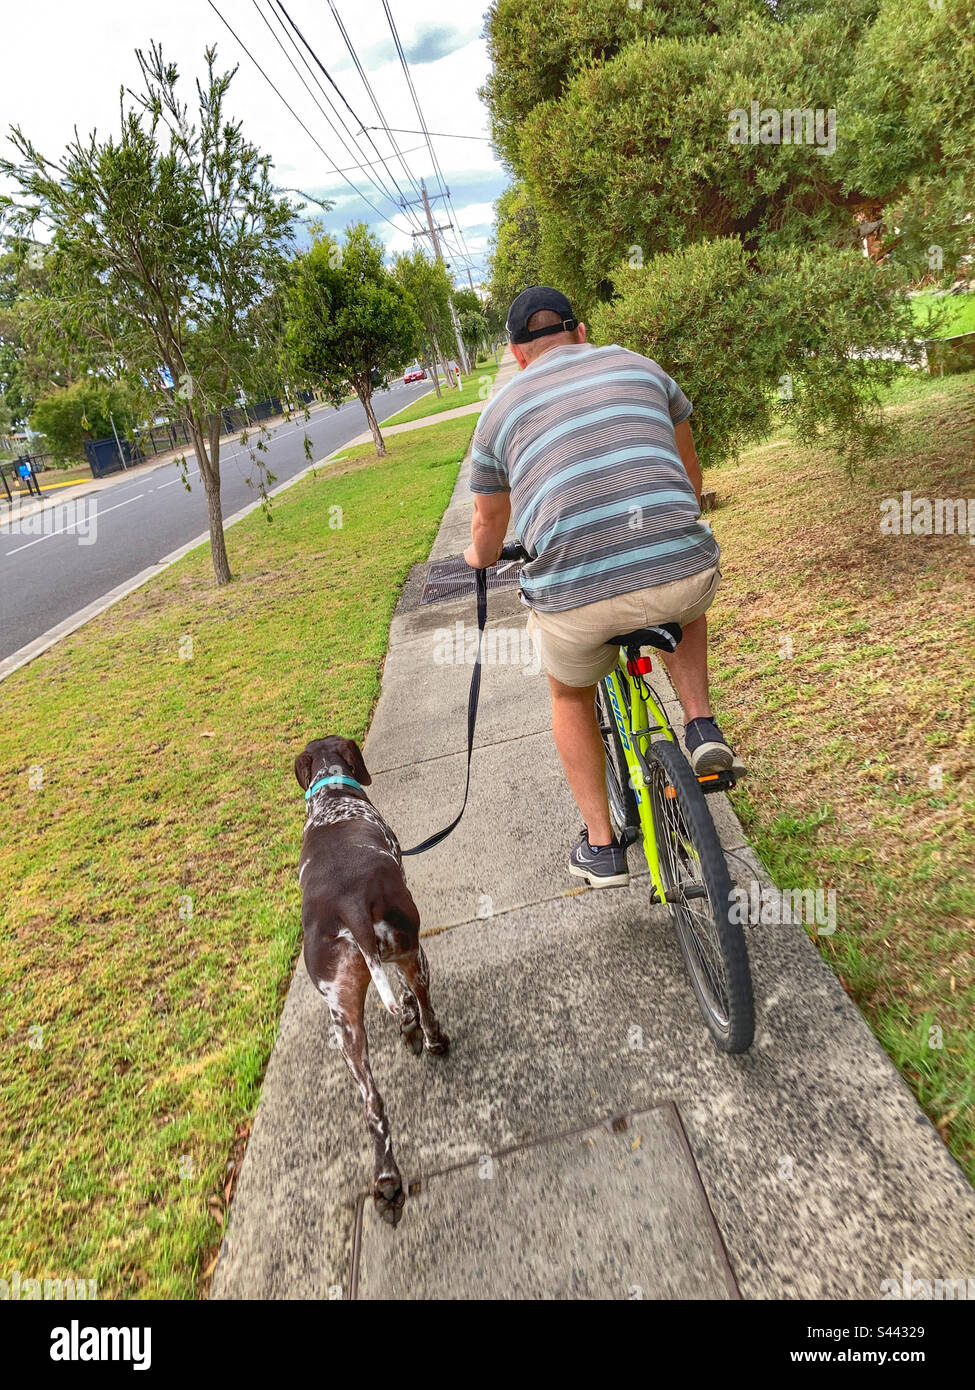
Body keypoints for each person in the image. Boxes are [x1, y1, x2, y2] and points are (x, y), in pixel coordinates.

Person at [464, 285, 736, 887]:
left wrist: (477, 557)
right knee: (682, 579)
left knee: (569, 696)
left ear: (515, 353)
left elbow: (489, 528)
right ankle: (699, 724)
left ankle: (602, 845)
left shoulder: (498, 413)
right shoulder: (641, 368)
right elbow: (690, 476)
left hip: (575, 599)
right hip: (679, 572)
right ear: (581, 331)